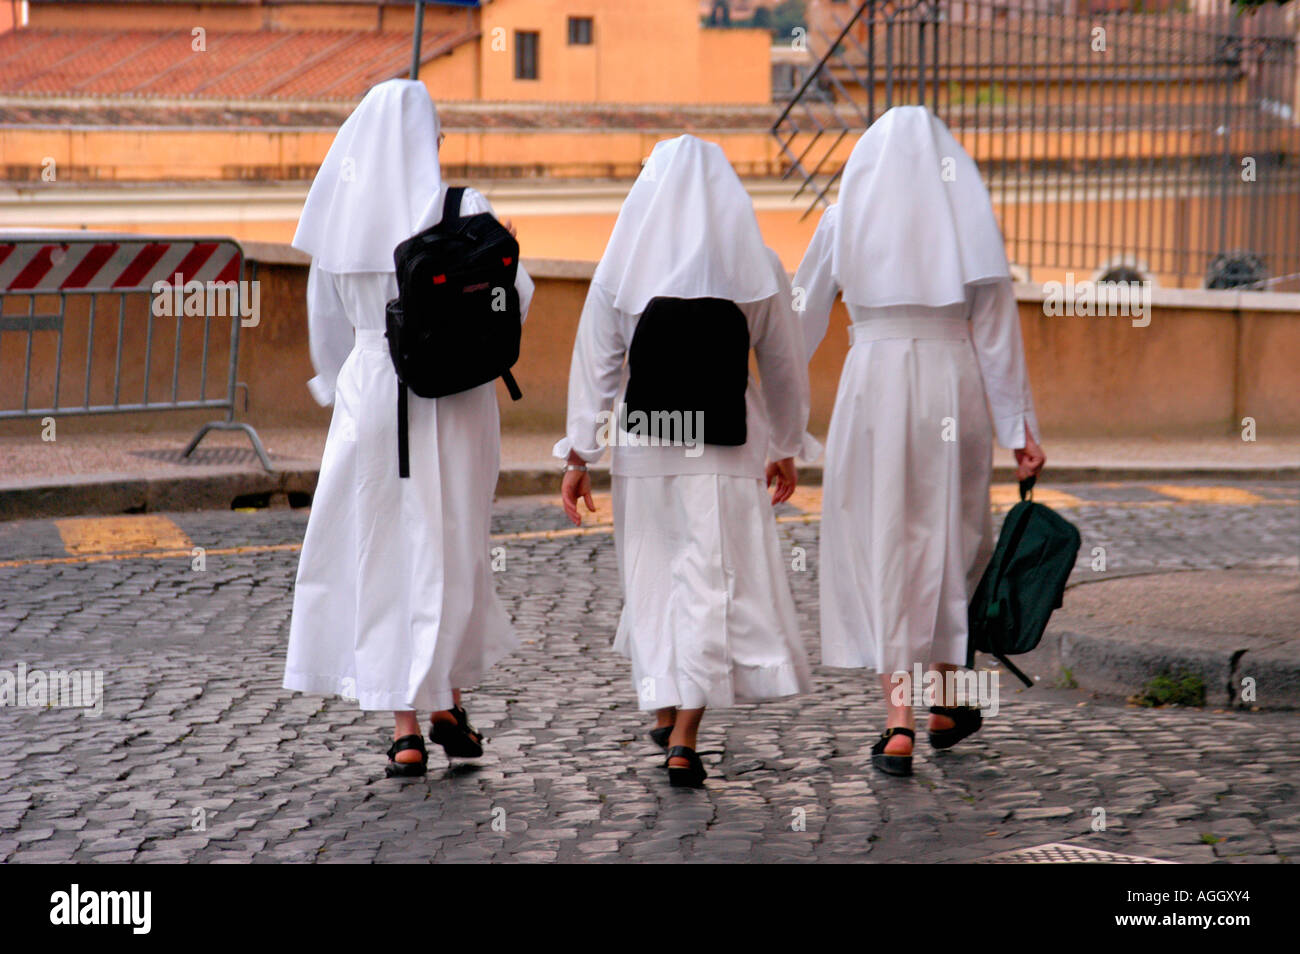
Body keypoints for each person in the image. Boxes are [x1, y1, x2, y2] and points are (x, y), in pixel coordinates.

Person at [282, 79, 533, 778]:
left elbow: (325, 328)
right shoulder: (465, 208)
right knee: (453, 544)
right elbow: (518, 302)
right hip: (455, 399)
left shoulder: (340, 219)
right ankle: (449, 699)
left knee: (382, 552)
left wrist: (343, 389)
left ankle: (404, 729)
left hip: (373, 398)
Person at [793, 106, 1046, 778]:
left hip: (872, 381)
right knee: (953, 536)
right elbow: (997, 334)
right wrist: (1021, 431)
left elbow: (799, 323)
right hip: (951, 381)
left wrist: (779, 427)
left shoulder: (843, 216)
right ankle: (946, 701)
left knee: (883, 538)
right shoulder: (968, 219)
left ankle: (897, 724)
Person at [556, 135, 815, 788]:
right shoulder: (757, 266)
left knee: (657, 579)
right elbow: (784, 367)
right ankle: (686, 734)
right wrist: (786, 443)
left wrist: (580, 452)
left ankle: (666, 700)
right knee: (709, 584)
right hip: (724, 448)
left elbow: (596, 363)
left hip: (645, 448)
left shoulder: (625, 262)